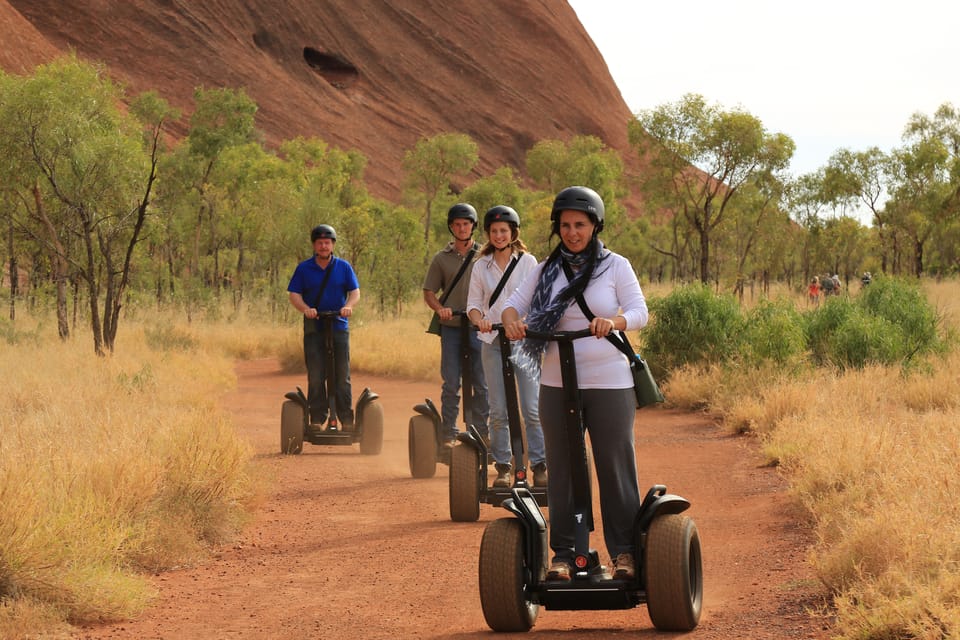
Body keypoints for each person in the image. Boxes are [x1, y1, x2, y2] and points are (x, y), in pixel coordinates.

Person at [502, 186, 648, 582]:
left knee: (614, 465)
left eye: (580, 225)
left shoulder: (615, 266)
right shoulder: (545, 267)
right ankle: (567, 554)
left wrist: (613, 322)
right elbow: (513, 302)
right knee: (563, 468)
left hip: (609, 381)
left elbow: (639, 311)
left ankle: (625, 553)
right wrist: (514, 319)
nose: (572, 232)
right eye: (565, 225)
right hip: (556, 381)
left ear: (595, 225)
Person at [466, 205, 547, 488]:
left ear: (513, 233)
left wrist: (526, 323)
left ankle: (540, 465)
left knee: (532, 407)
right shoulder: (480, 266)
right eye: (494, 231)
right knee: (498, 409)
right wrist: (480, 322)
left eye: (504, 230)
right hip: (492, 342)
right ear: (488, 234)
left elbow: (538, 301)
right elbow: (473, 306)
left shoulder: (528, 262)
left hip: (523, 343)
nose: (499, 235)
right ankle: (502, 468)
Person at [423, 203, 489, 447]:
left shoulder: (486, 255)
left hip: (478, 329)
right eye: (457, 224)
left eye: (466, 224)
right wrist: (440, 308)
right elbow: (429, 290)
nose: (462, 228)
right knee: (451, 382)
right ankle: (449, 434)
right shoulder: (441, 258)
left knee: (482, 383)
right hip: (451, 328)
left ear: (473, 226)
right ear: (451, 227)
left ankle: (482, 433)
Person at [287, 224, 360, 427]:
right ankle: (317, 418)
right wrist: (305, 309)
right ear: (314, 245)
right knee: (317, 374)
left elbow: (355, 292)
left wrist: (348, 306)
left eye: (327, 243)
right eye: (320, 243)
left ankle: (345, 418)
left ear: (333, 245)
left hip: (338, 325)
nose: (323, 246)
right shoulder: (304, 269)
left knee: (342, 376)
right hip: (314, 328)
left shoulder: (343, 267)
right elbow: (294, 295)